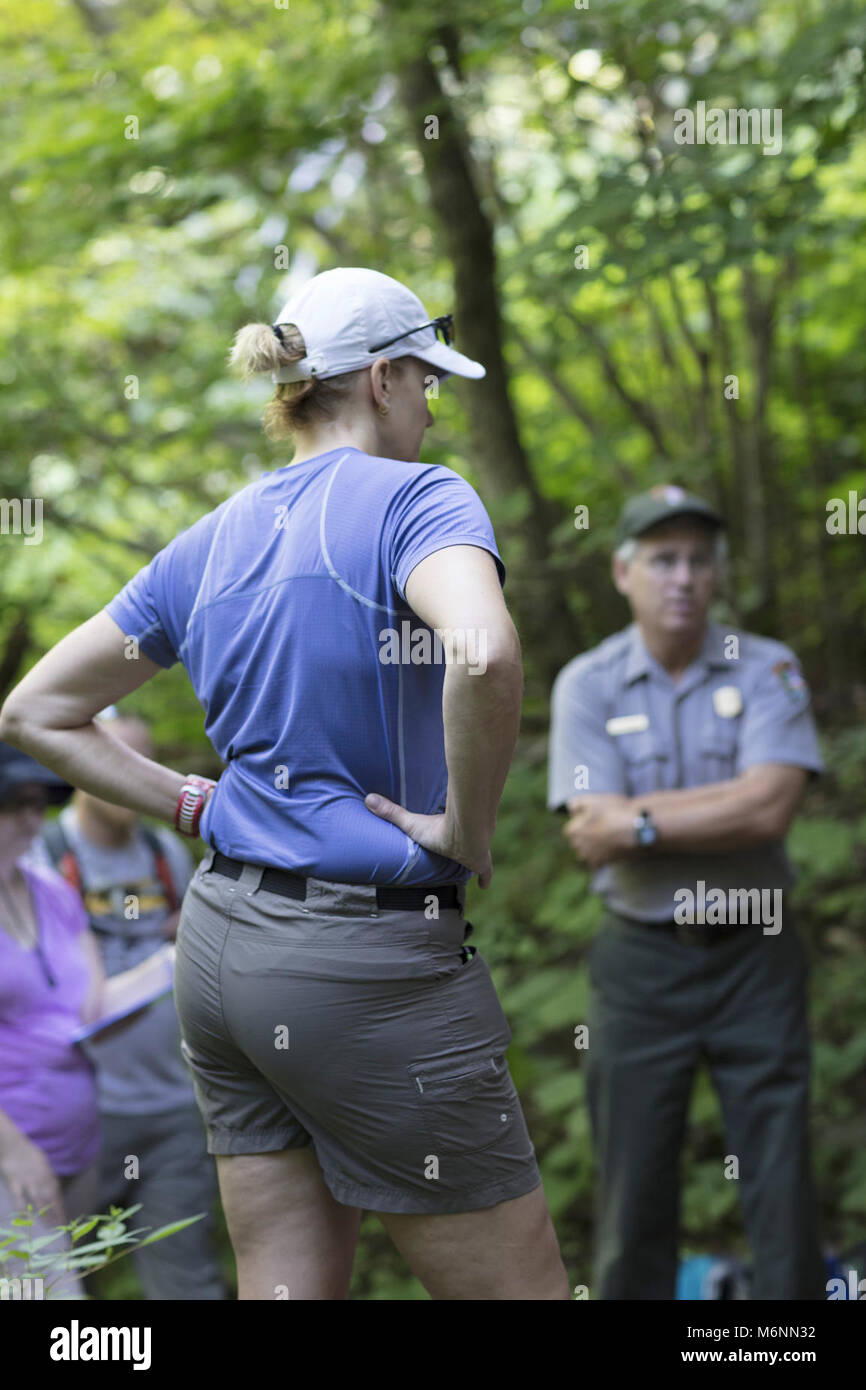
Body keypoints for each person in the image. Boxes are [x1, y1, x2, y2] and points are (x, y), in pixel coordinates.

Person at [0, 267, 569, 1301]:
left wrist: (187, 801)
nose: (433, 409)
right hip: (363, 965)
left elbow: (32, 712)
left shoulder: (208, 541)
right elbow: (482, 655)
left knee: (280, 1284)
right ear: (385, 377)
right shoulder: (418, 500)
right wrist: (463, 827)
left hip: (220, 953)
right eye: (428, 383)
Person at [547, 484, 826, 1301]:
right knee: (633, 1178)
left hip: (756, 947)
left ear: (717, 574)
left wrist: (635, 825)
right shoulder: (586, 684)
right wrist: (710, 808)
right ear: (623, 571)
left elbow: (770, 806)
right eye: (663, 559)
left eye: (699, 560)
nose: (683, 578)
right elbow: (583, 822)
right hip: (640, 958)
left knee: (778, 1171)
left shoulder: (768, 666)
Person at [40, 709, 226, 1301]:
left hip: (174, 1109)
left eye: (146, 762)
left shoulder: (167, 854)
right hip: (78, 1113)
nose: (135, 776)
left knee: (187, 1278)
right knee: (42, 1274)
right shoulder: (42, 857)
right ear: (77, 765)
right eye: (116, 760)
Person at [0, 742, 103, 1299]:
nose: (31, 820)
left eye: (40, 805)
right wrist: (12, 1148)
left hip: (77, 1148)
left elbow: (89, 990)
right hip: (12, 1159)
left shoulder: (52, 891)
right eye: (15, 804)